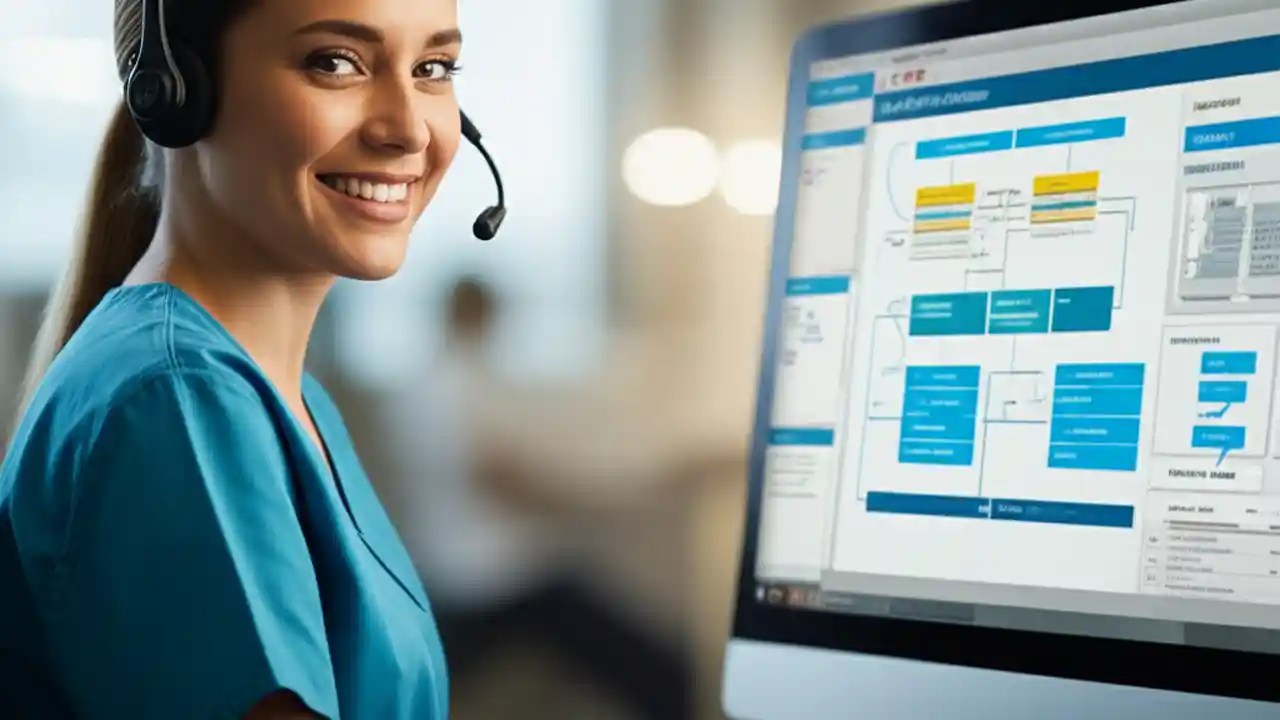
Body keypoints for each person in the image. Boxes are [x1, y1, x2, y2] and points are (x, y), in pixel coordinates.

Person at [0, 0, 467, 717]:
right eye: (334, 62)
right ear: (175, 88)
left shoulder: (277, 398)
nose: (408, 129)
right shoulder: (176, 401)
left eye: (434, 68)